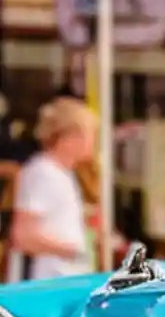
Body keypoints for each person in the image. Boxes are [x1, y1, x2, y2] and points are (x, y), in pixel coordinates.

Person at [4, 97, 96, 282]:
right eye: (88, 134)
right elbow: (23, 236)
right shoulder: (42, 173)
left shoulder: (63, 174)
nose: (92, 141)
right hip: (44, 287)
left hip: (62, 281)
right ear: (68, 136)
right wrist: (74, 249)